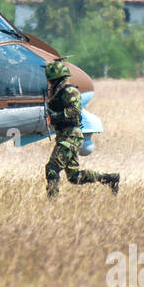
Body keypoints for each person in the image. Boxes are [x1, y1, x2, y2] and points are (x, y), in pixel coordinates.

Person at [44, 59, 119, 198]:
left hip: (70, 136)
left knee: (52, 168)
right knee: (74, 176)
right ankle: (110, 179)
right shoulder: (57, 93)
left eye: (51, 80)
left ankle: (52, 201)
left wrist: (55, 116)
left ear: (56, 79)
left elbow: (74, 111)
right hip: (66, 136)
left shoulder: (70, 91)